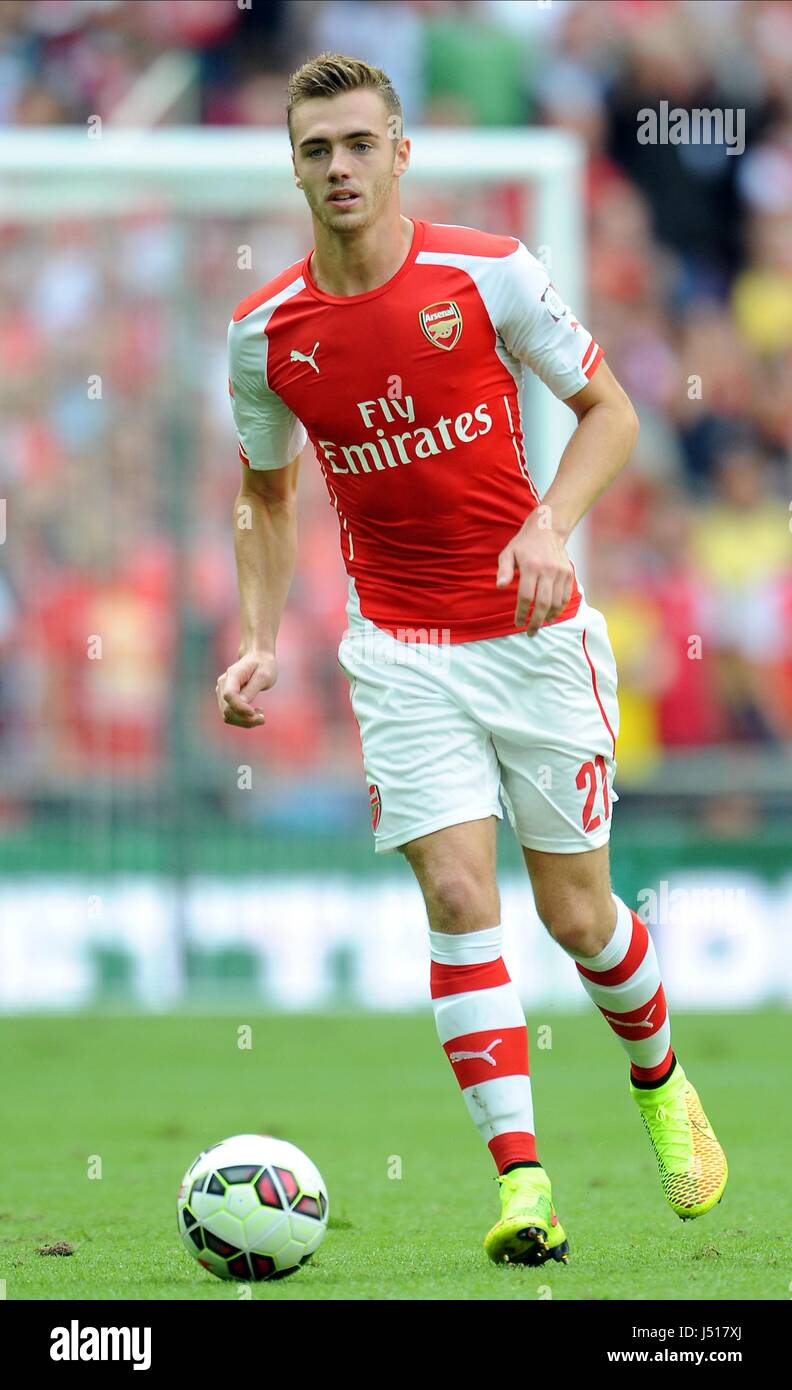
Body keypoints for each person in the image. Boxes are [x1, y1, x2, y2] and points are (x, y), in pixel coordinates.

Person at [217, 51, 728, 1267]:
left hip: (536, 639)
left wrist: (550, 523)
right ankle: (524, 1184)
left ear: (401, 153)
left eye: (359, 144)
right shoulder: (265, 335)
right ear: (295, 169)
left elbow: (612, 413)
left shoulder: (487, 272)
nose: (340, 167)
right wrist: (259, 638)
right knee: (457, 896)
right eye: (316, 150)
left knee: (579, 914)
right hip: (400, 649)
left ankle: (659, 1079)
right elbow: (266, 495)